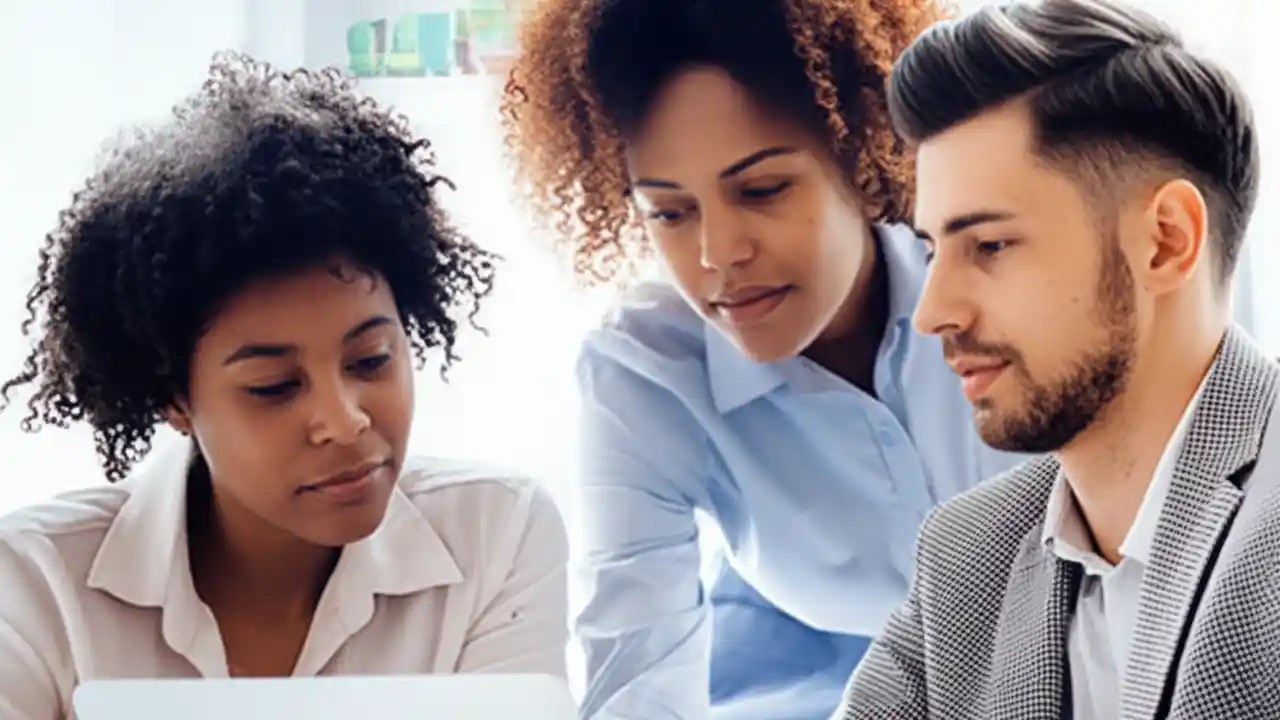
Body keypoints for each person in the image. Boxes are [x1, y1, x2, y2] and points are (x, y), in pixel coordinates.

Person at [0, 53, 568, 720]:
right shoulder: (36, 588)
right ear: (174, 399)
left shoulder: (496, 535)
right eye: (273, 387)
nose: (344, 419)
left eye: (371, 360)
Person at [501, 1, 1025, 717]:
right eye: (670, 212)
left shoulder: (1003, 282)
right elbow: (636, 677)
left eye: (762, 190)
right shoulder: (644, 373)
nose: (718, 255)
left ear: (864, 149)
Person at [838, 0, 1279, 718]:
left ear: (1165, 241)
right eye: (929, 251)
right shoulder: (966, 556)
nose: (931, 312)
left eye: (990, 246)